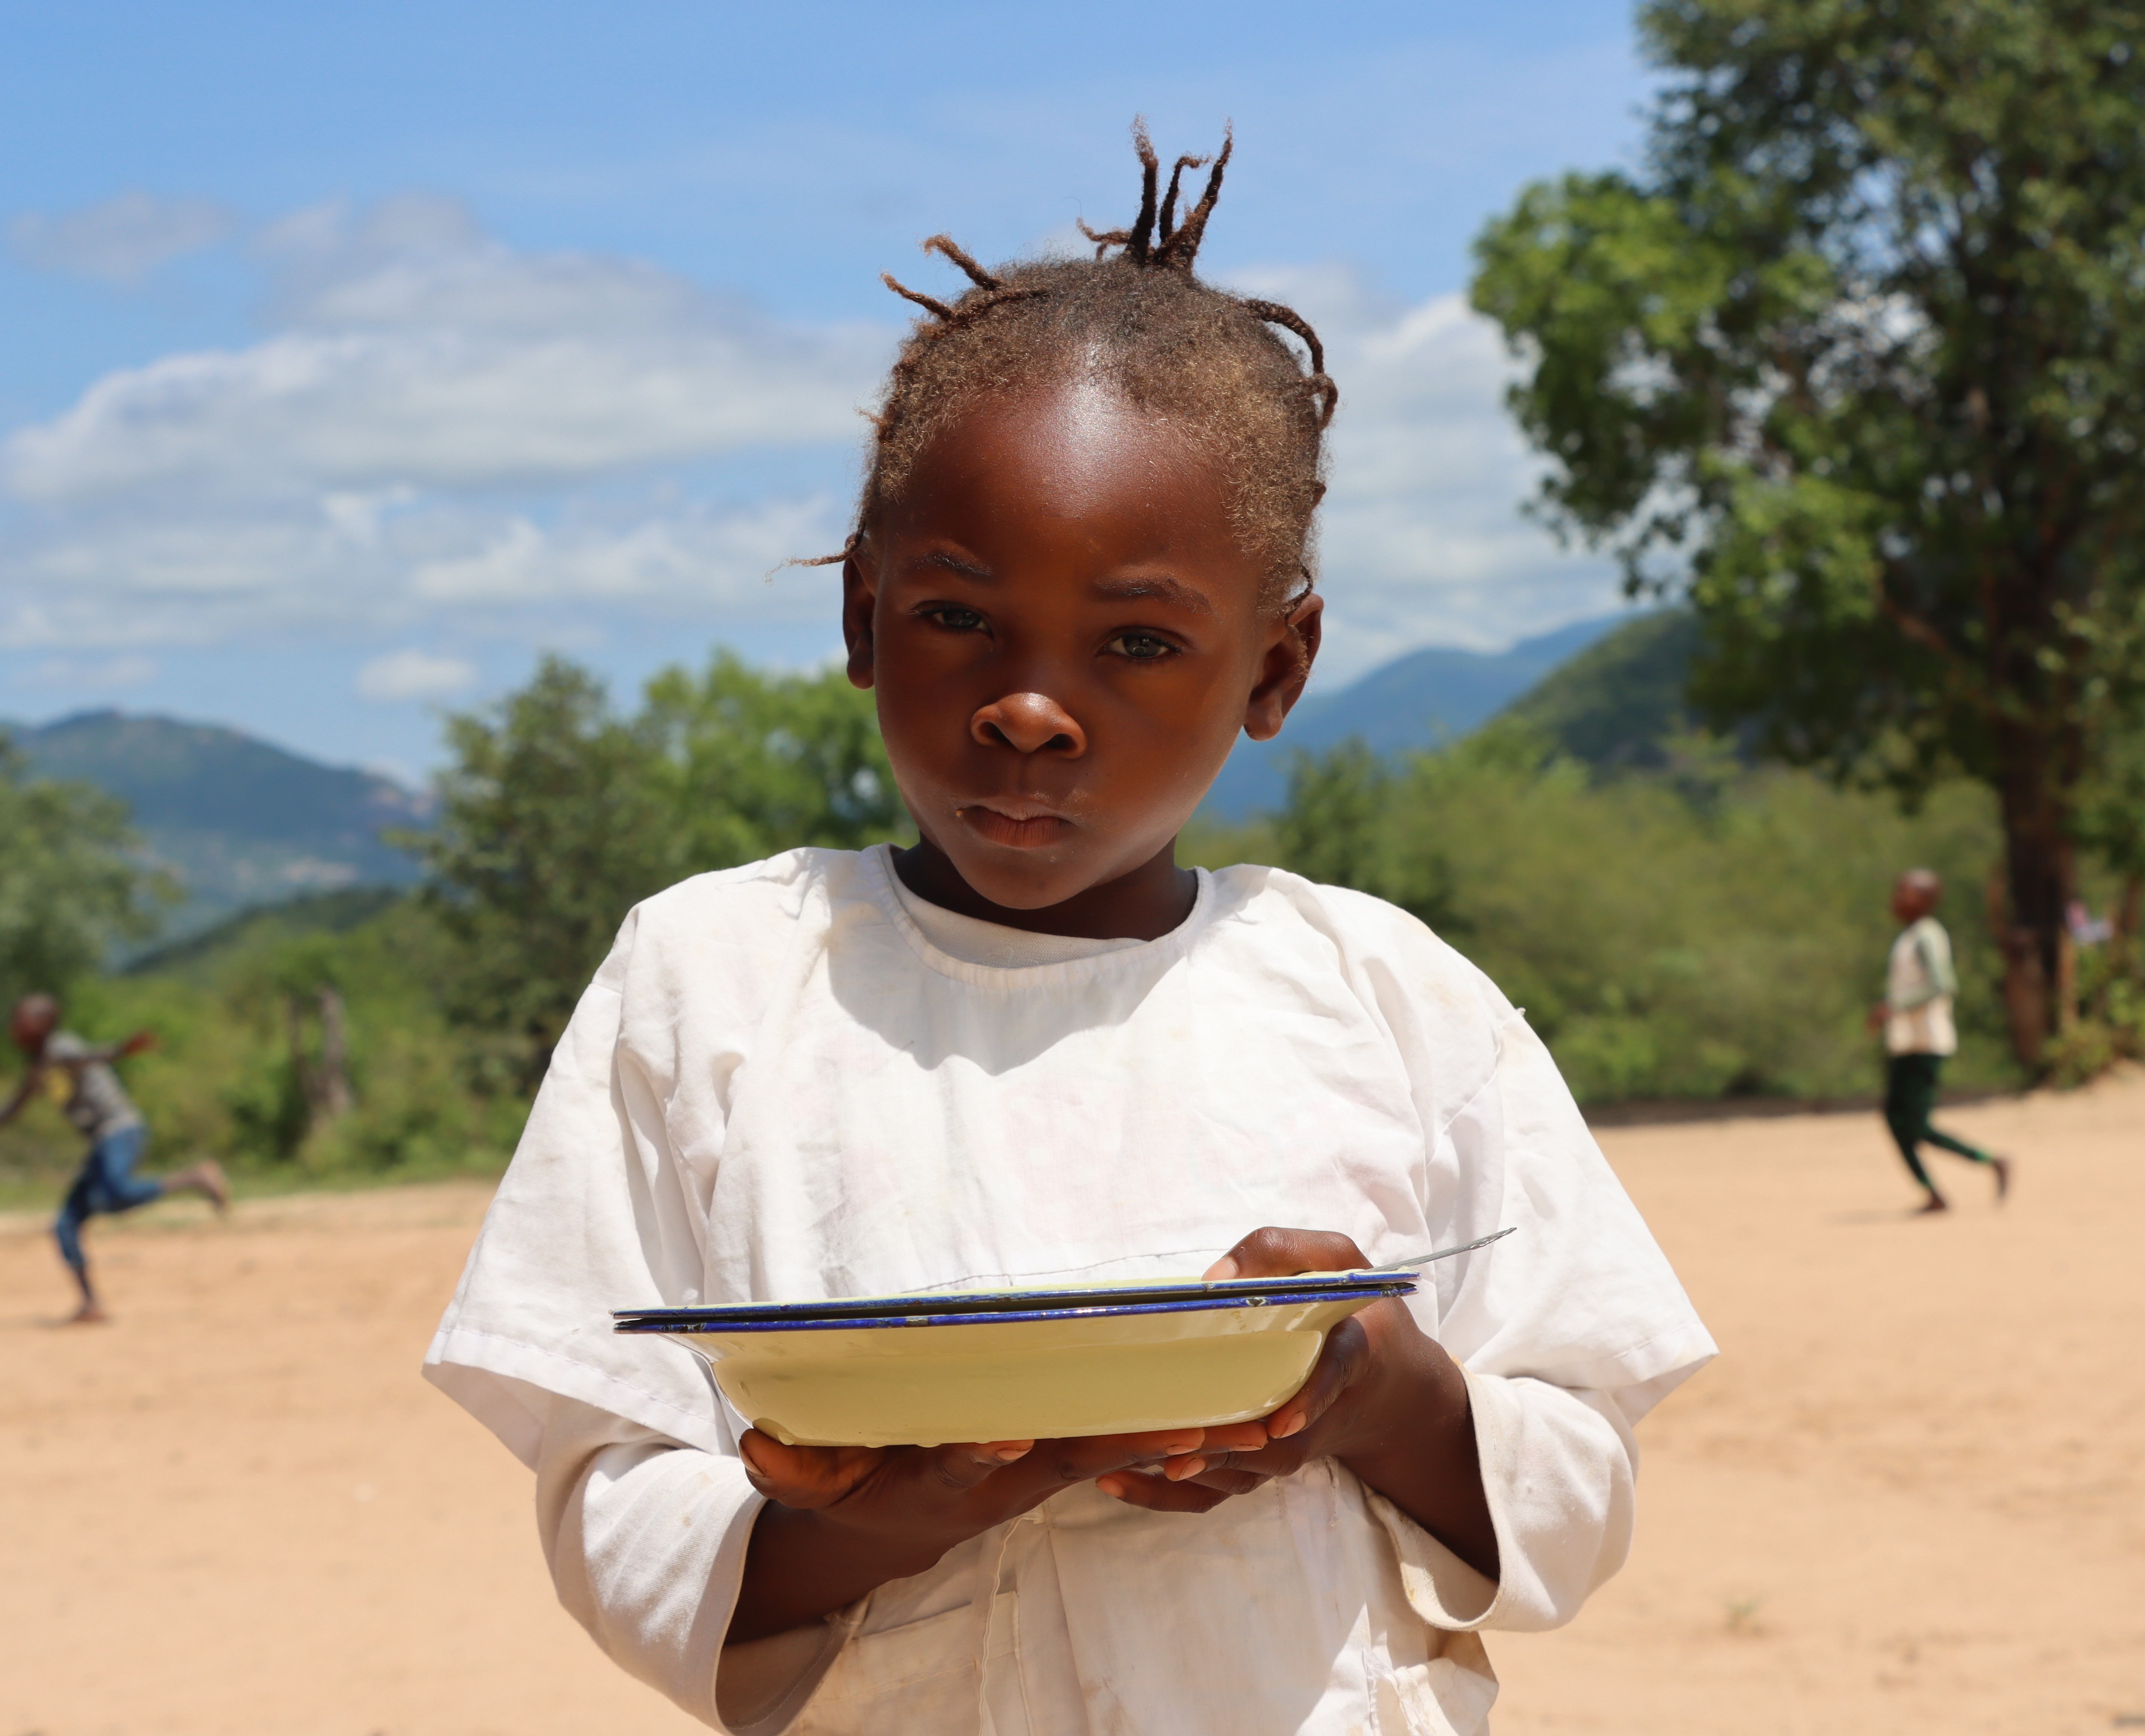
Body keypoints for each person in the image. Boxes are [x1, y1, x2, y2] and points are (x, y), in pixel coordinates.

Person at [424, 125, 1715, 1736]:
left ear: (1274, 669)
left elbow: (1580, 1477)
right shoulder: (717, 978)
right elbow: (611, 1475)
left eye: (1139, 640)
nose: (1030, 706)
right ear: (862, 613)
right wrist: (872, 1523)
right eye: (957, 616)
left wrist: (1377, 1394)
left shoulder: (1385, 996)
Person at [0, 992, 229, 1323]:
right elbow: (15, 1107)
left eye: (21, 1021)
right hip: (101, 1141)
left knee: (116, 1193)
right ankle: (91, 1304)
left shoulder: (61, 1048)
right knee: (66, 1224)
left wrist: (121, 1050)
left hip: (120, 1130)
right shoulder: (38, 1065)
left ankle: (194, 1177)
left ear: (43, 1024)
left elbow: (90, 1057)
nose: (14, 1028)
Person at [1867, 870, 2011, 1213]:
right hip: (1905, 1042)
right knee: (1896, 1120)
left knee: (1915, 1125)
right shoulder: (1909, 938)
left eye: (1904, 892)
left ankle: (1989, 1160)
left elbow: (1942, 984)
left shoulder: (1928, 936)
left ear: (1924, 899)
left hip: (1926, 1042)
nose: (1897, 899)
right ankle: (1932, 1193)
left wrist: (1895, 1007)